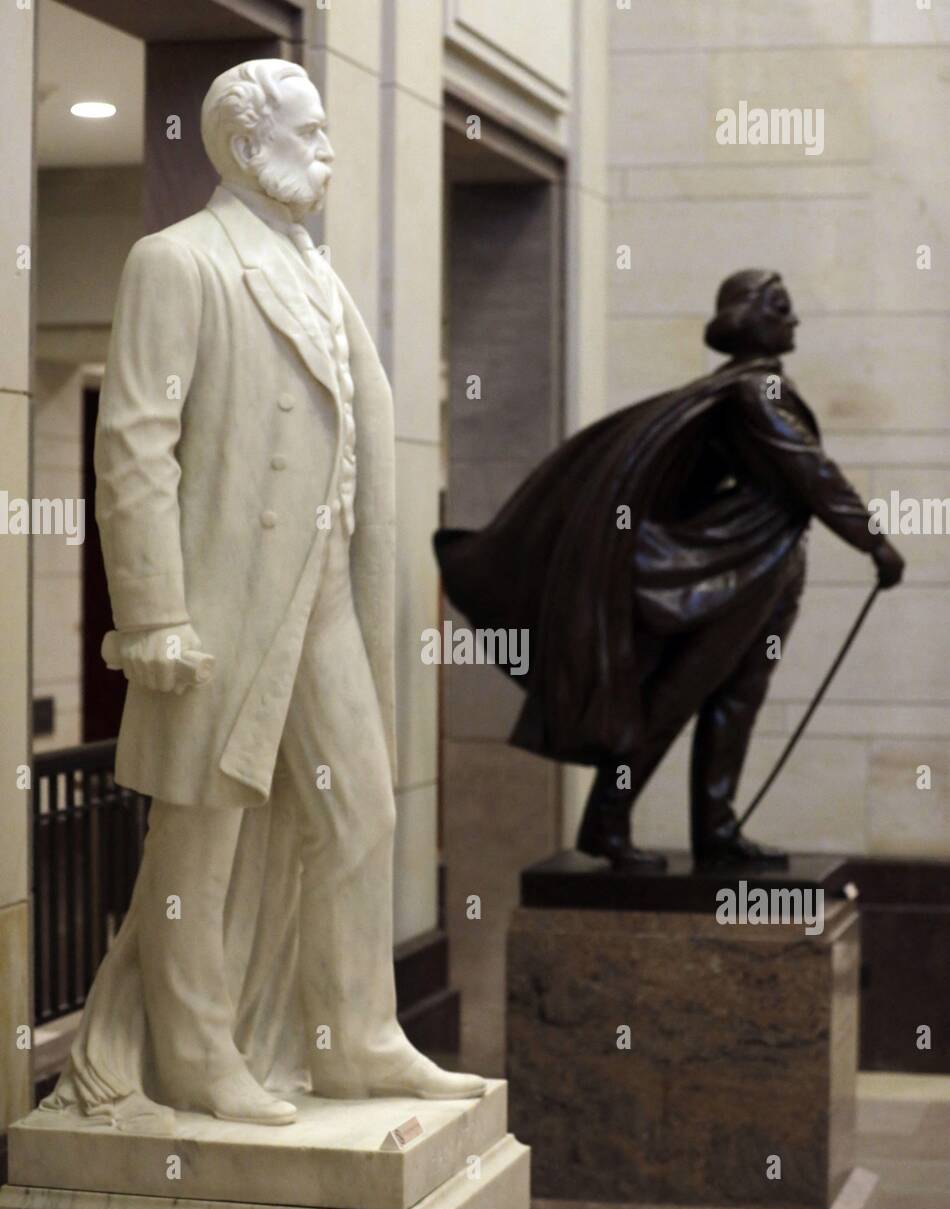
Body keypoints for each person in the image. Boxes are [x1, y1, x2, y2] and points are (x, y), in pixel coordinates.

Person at [48, 59, 484, 1130]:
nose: (329, 149)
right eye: (312, 131)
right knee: (198, 827)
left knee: (360, 811)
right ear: (246, 146)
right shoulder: (178, 262)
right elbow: (135, 445)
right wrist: (150, 614)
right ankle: (195, 1055)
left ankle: (354, 1039)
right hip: (225, 598)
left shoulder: (318, 277)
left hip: (322, 588)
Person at [435, 270, 904, 870]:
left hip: (771, 563)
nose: (795, 321)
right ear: (751, 319)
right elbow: (812, 474)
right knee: (673, 700)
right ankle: (608, 821)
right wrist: (874, 542)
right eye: (782, 309)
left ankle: (717, 828)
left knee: (738, 700)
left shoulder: (753, 389)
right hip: (732, 569)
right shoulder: (753, 393)